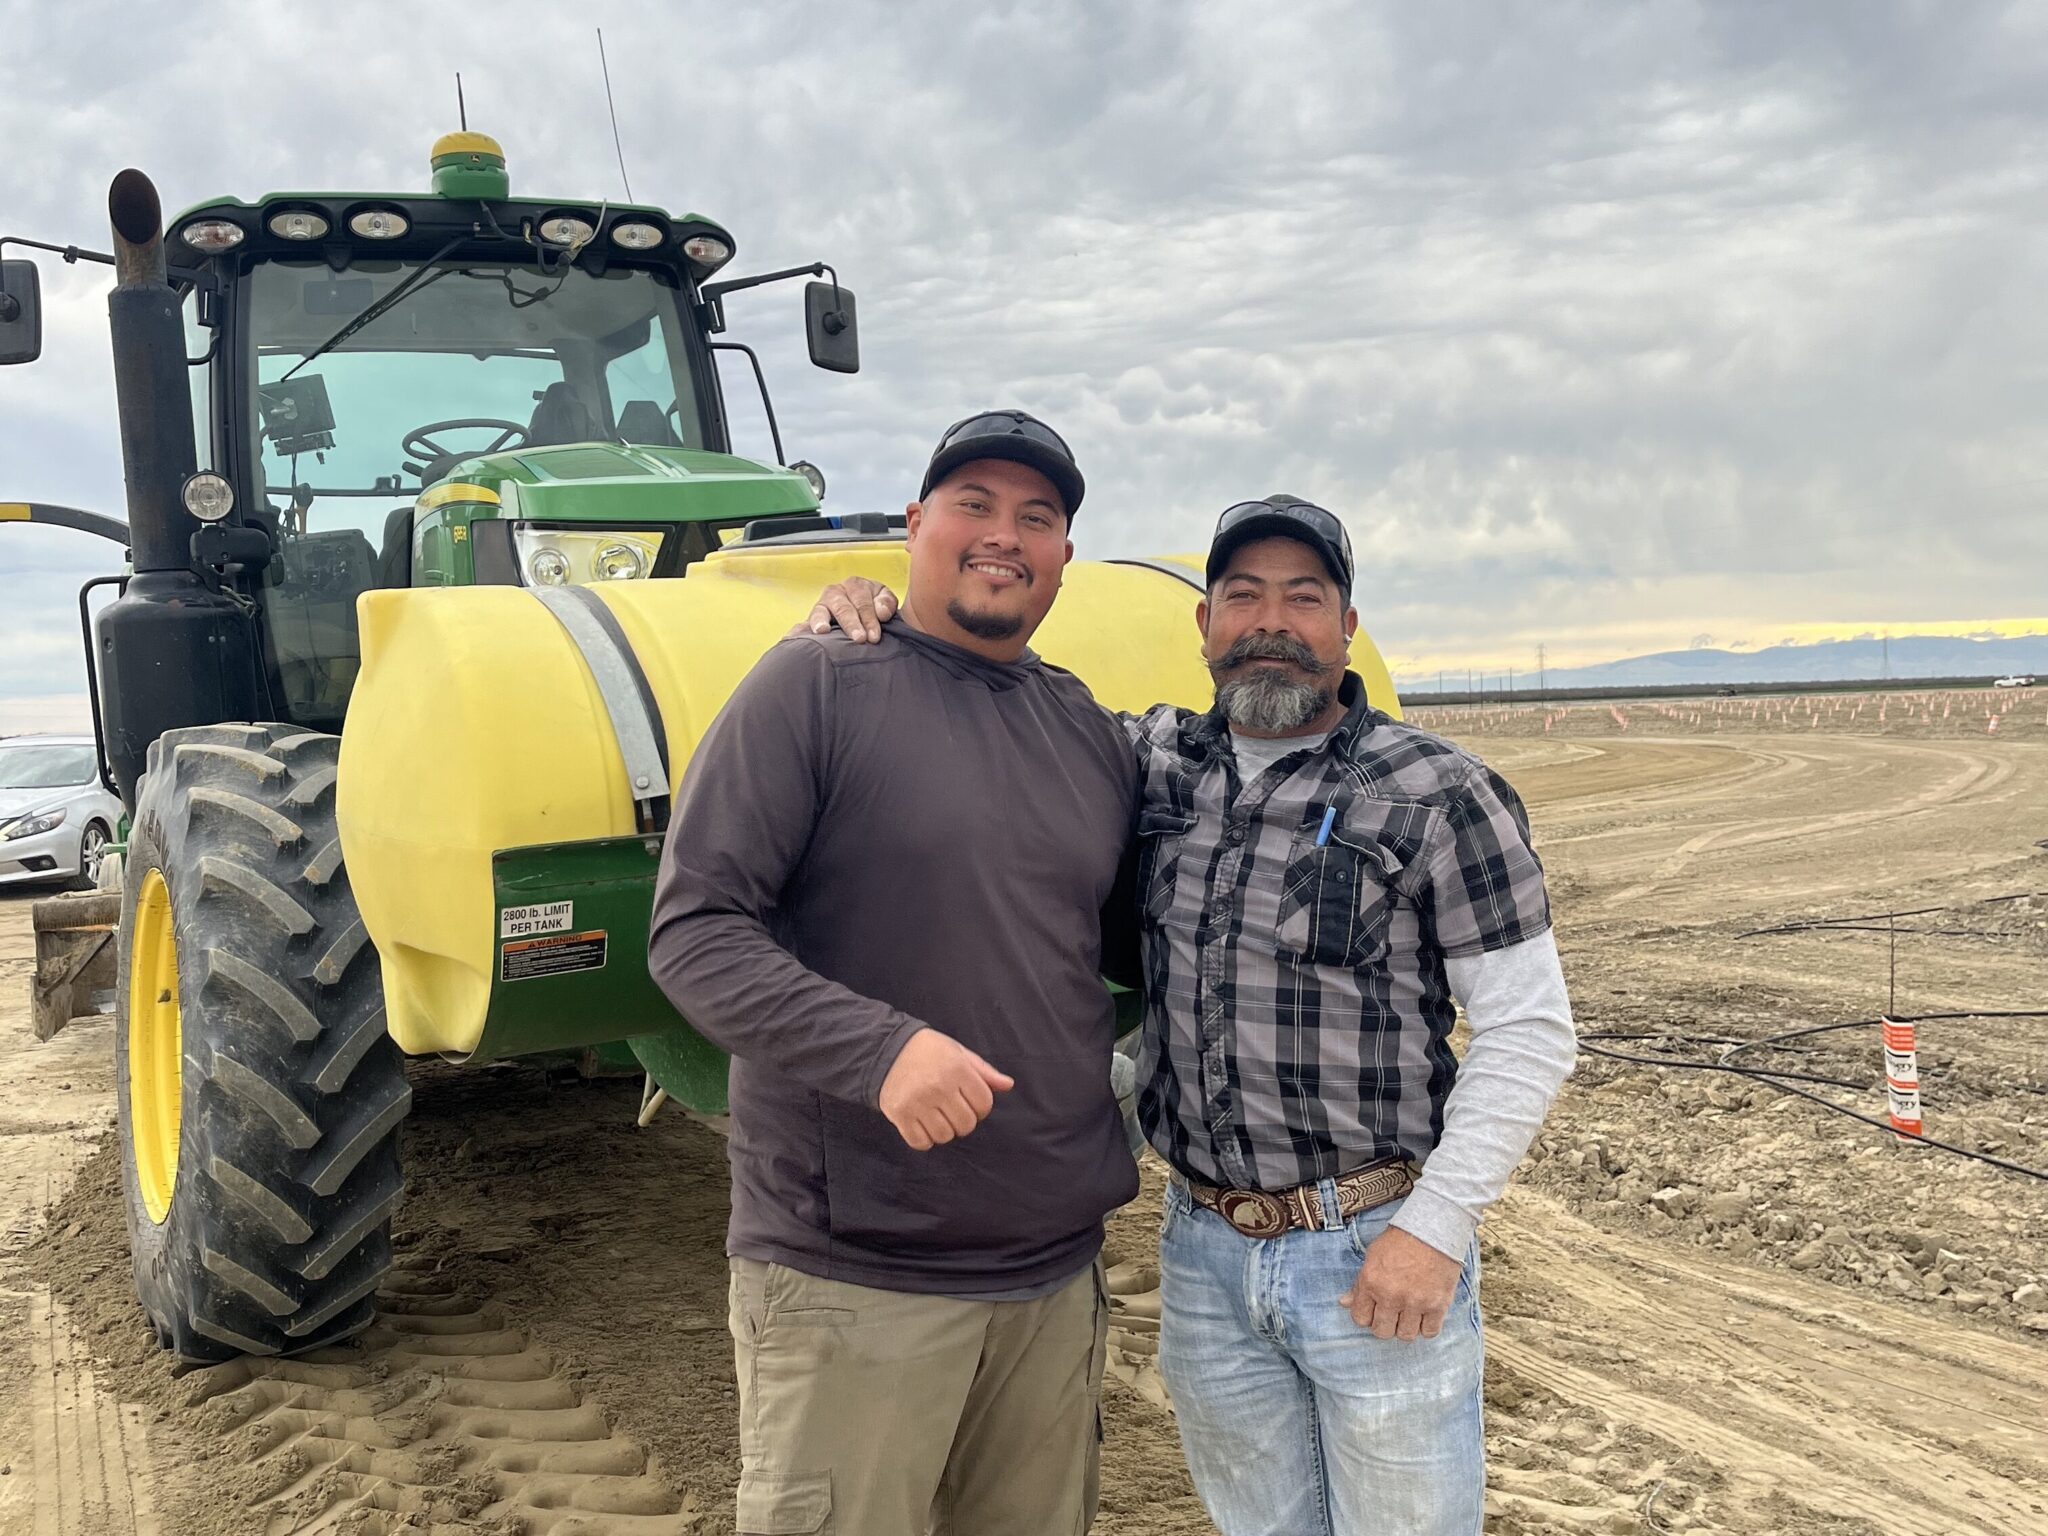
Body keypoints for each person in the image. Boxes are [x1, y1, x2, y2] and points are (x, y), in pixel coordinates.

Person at [808, 496, 1576, 1536]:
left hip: (1372, 1244)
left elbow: (1528, 1029)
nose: (1272, 622)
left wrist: (1433, 1233)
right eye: (1243, 596)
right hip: (1205, 1251)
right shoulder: (1149, 761)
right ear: (1205, 624)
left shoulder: (1437, 793)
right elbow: (990, 702)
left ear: (1347, 627)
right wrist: (876, 613)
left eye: (1304, 598)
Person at [647, 409, 1140, 1536]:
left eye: (1036, 517)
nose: (1003, 534)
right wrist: (882, 1053)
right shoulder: (812, 686)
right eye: (974, 505)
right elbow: (694, 931)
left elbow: (1123, 945)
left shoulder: (1086, 730)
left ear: (1064, 555)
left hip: (1051, 1281)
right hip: (855, 1282)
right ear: (914, 525)